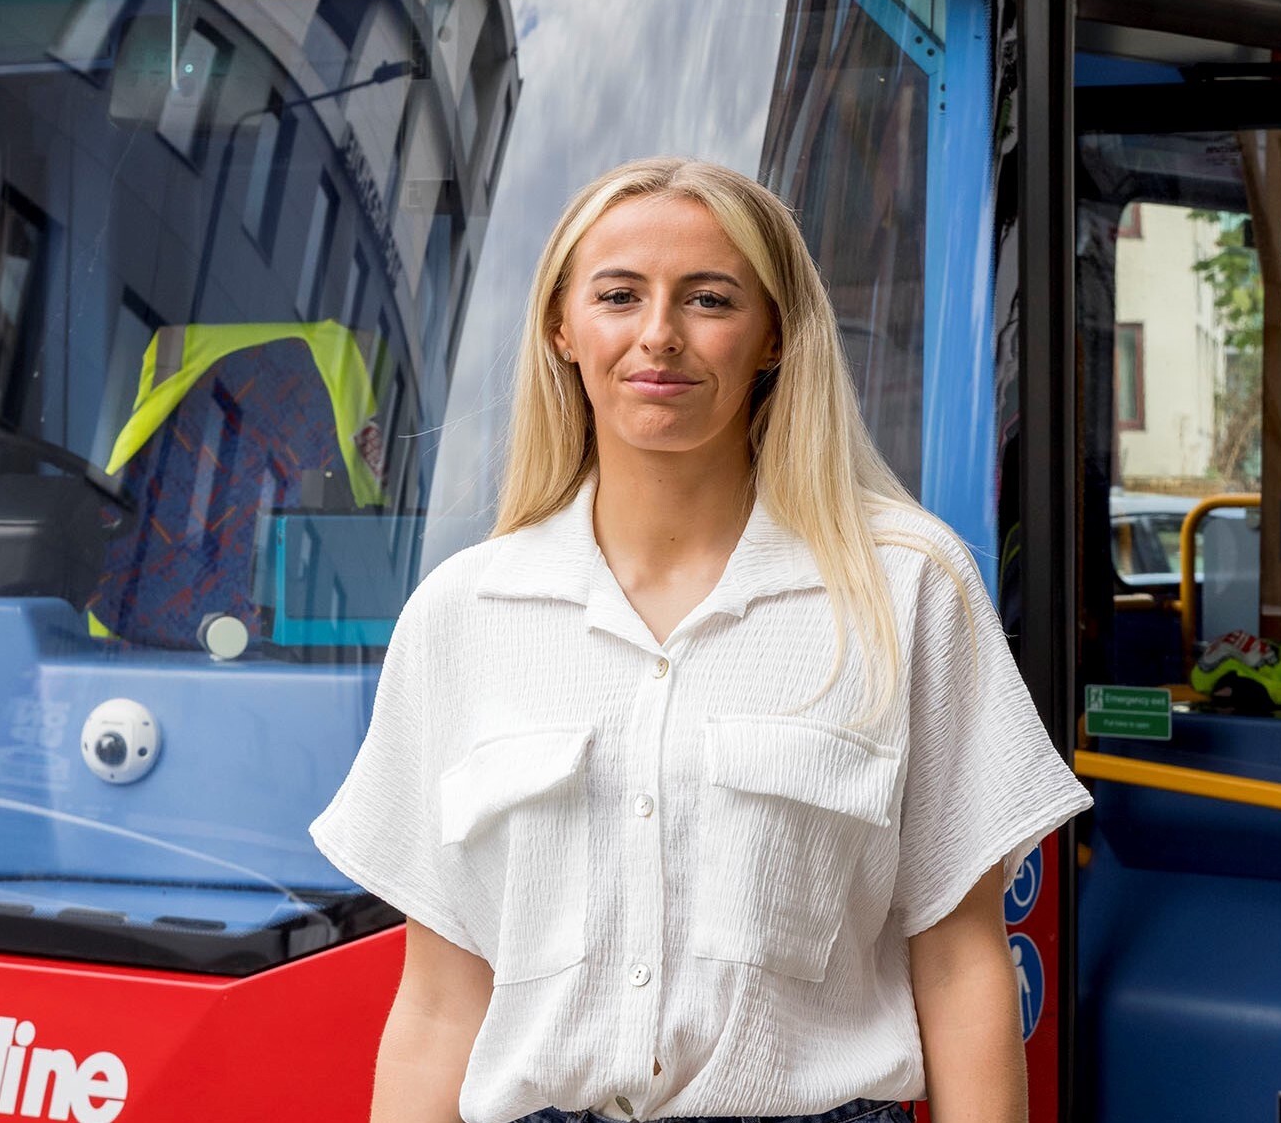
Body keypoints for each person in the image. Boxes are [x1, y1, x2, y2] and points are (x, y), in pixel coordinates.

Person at [309, 157, 1091, 1123]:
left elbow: (962, 961)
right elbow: (436, 1003)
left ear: (771, 336)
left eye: (709, 299)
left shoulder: (907, 588)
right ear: (562, 328)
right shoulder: (462, 614)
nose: (658, 336)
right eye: (618, 295)